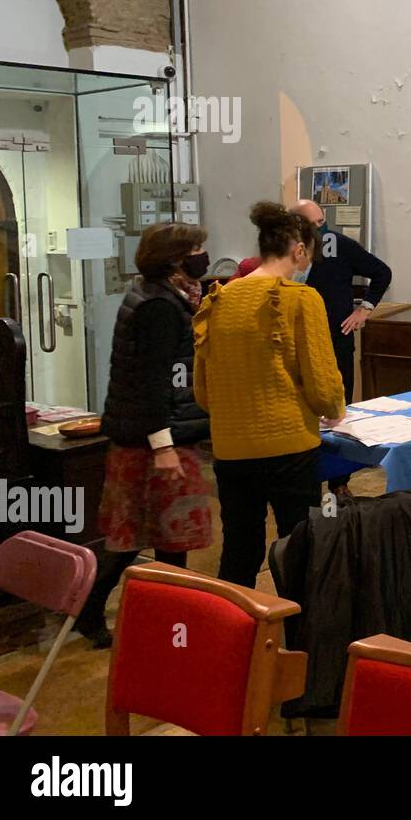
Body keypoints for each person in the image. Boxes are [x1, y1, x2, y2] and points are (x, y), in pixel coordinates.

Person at [194, 201, 346, 587]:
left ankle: (235, 637)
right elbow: (323, 382)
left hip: (230, 450)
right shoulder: (300, 299)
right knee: (299, 551)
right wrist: (333, 410)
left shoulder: (216, 299)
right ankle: (300, 640)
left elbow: (203, 391)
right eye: (308, 255)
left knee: (239, 550)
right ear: (299, 251)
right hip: (288, 447)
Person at [76, 223, 214, 648]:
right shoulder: (160, 307)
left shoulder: (157, 295)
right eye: (195, 250)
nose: (201, 257)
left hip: (151, 434)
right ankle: (170, 626)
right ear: (175, 259)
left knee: (140, 536)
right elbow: (154, 383)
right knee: (160, 535)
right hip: (155, 439)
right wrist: (164, 445)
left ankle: (142, 616)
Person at [290, 198, 392, 499]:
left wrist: (365, 309)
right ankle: (304, 478)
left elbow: (381, 272)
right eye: (315, 224)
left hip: (336, 337)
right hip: (298, 340)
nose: (323, 229)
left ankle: (338, 481)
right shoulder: (286, 254)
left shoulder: (337, 244)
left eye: (323, 222)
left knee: (338, 410)